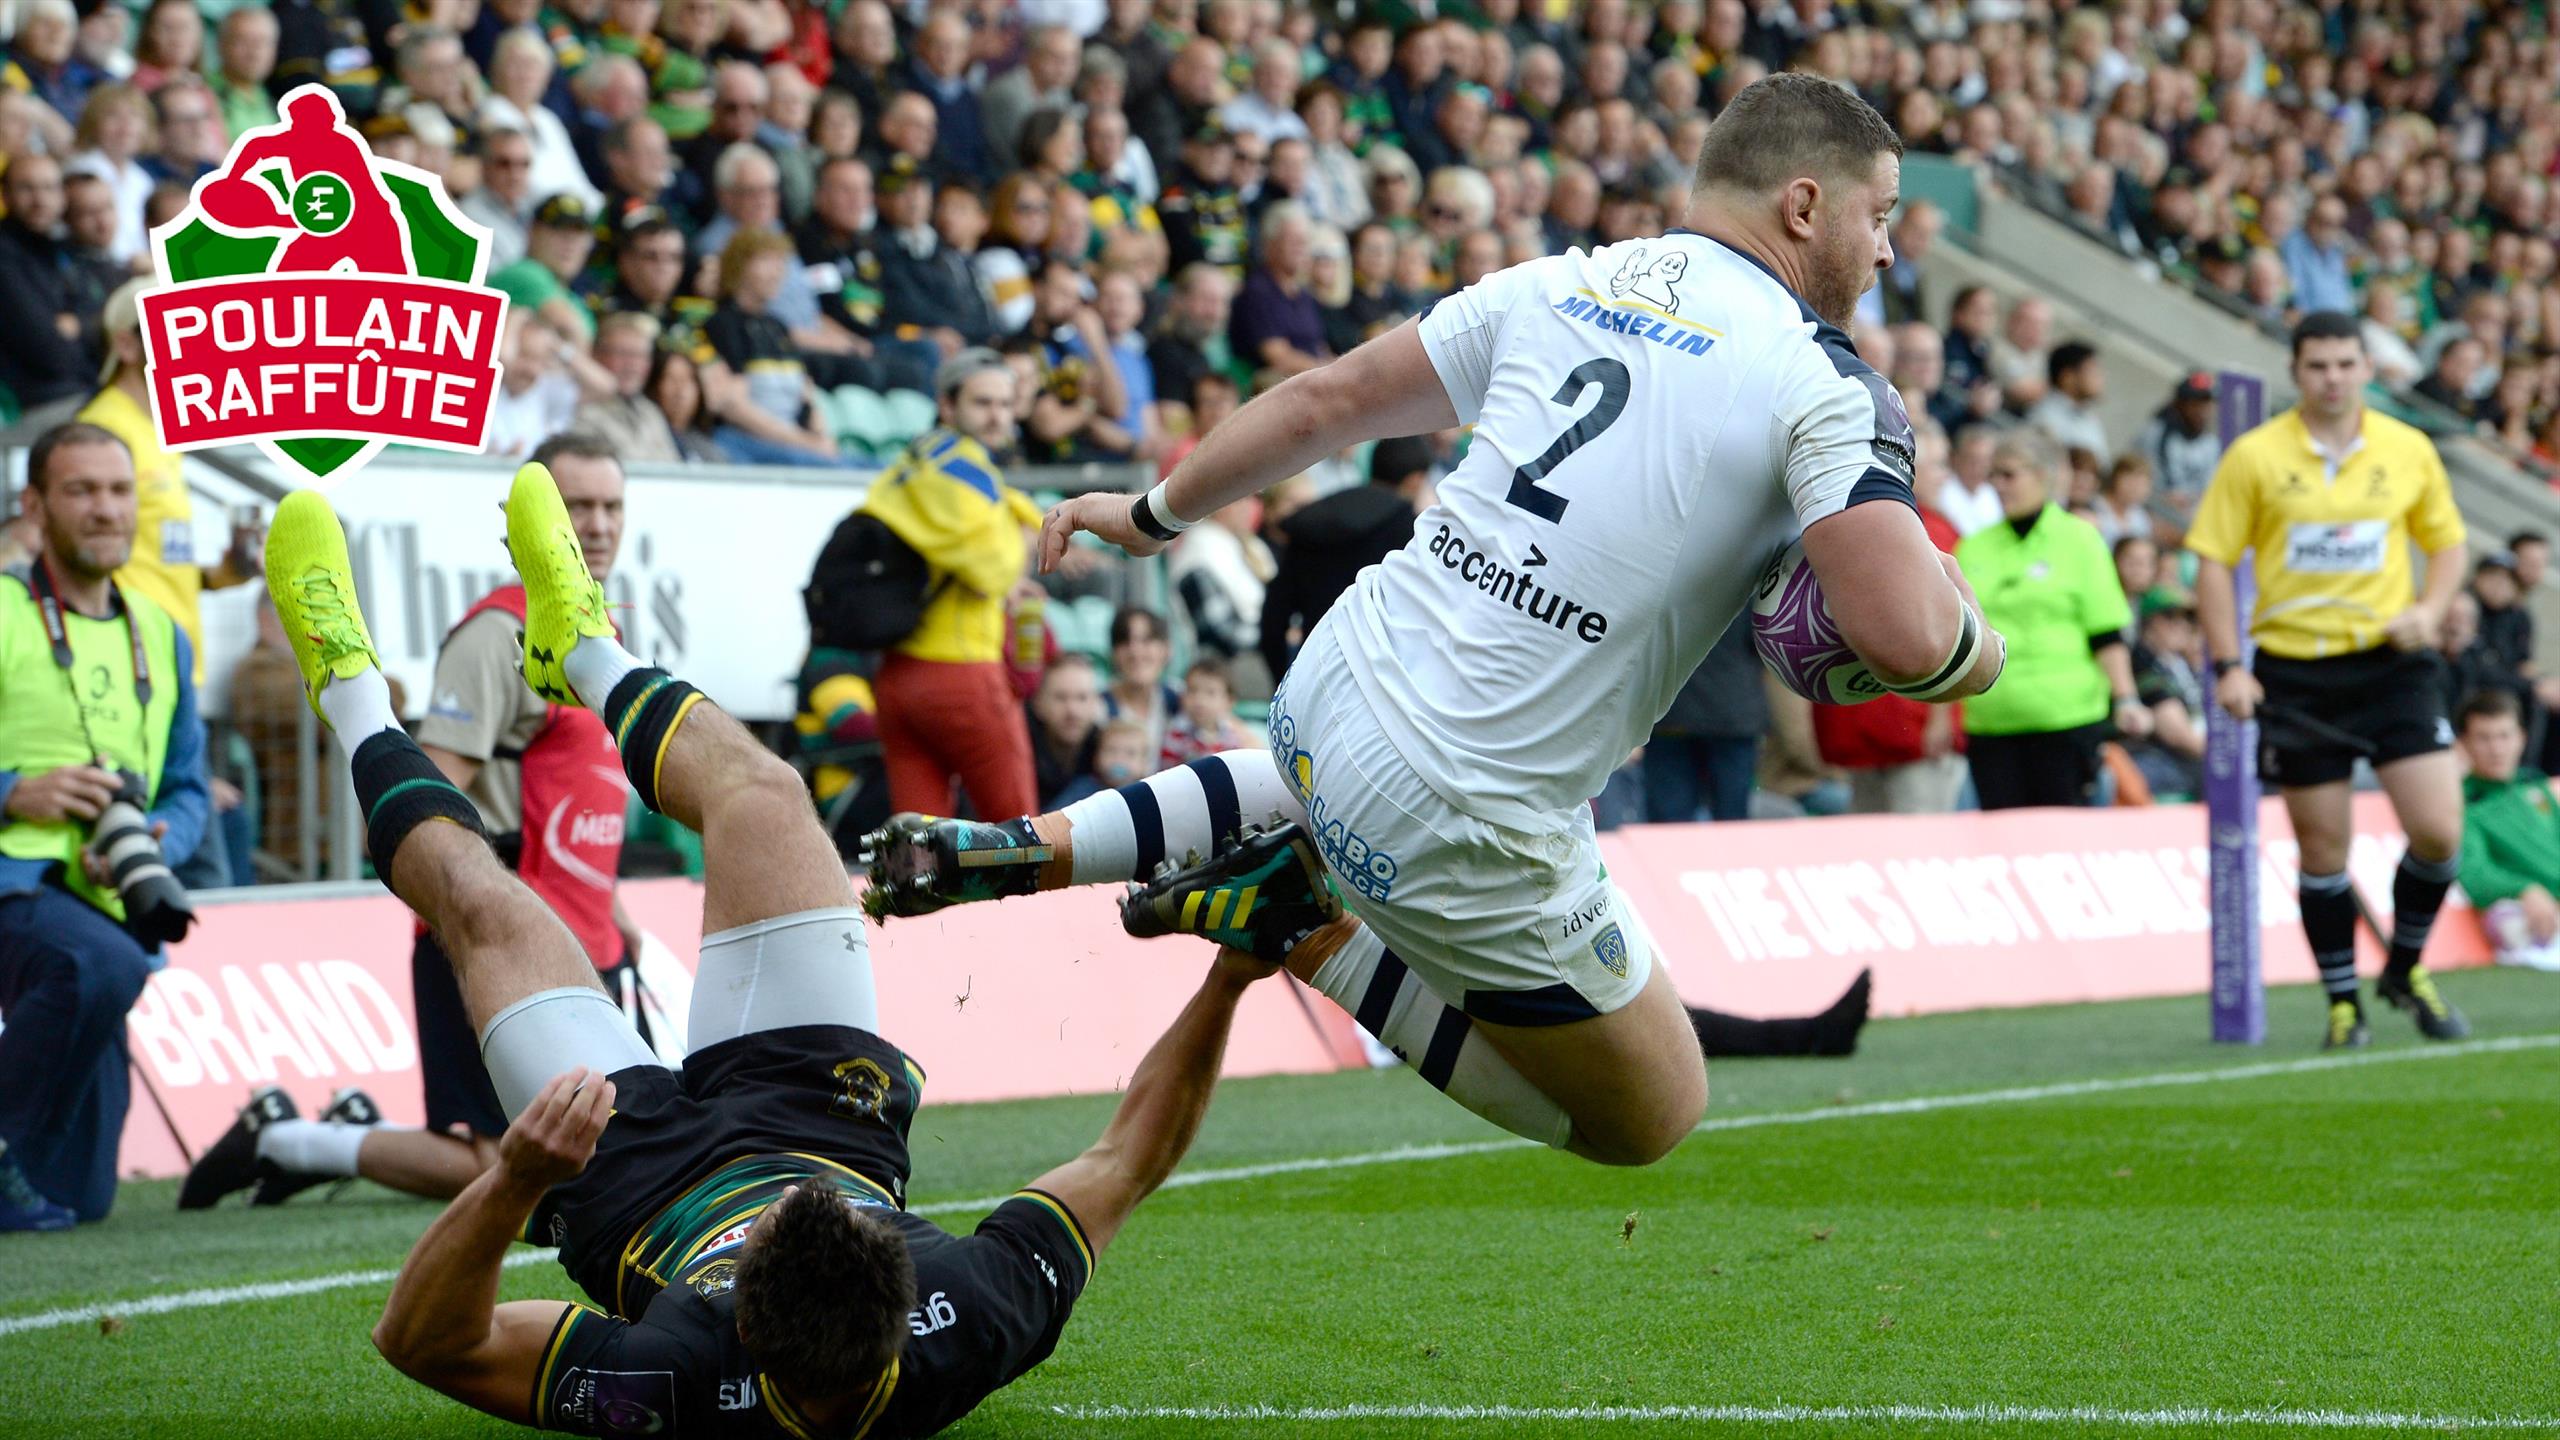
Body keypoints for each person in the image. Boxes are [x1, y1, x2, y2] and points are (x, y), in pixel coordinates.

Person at [870, 75, 2000, 1167]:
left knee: (1331, 774)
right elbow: (1905, 636)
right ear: (1804, 203)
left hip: (1327, 688)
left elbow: (1327, 402)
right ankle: (1307, 934)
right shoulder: (1820, 379)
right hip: (1468, 813)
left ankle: (1057, 844)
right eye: (1882, 213)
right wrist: (1981, 643)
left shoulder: (1557, 281)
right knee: (1653, 1111)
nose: (1889, 248)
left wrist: (1154, 513)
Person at [246, 465, 1250, 1435]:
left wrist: (515, 1178)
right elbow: (1126, 1159)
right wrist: (1232, 974)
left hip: (630, 1183)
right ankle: (583, 647)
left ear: (743, 1327)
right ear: (898, 1283)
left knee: (484, 908)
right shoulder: (974, 1314)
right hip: (825, 1120)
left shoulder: (675, 1381)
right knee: (765, 798)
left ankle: (347, 688)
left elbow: (425, 1343)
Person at [2189, 311, 2474, 1051]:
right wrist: (2228, 665)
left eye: (2347, 364)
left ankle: (2405, 967)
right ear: (2296, 371)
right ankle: (2343, 1004)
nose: (2333, 378)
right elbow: (2214, 561)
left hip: (2392, 665)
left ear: (2368, 369)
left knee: (2440, 830)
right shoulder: (2255, 455)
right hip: (2297, 670)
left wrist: (2432, 608)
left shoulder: (2408, 449)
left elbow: (2447, 544)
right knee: (2323, 853)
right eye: (2318, 366)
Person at [0, 423, 208, 1230]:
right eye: (81, 490)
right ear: (35, 506)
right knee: (100, 965)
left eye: (119, 491)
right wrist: (16, 793)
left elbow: (188, 789)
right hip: (18, 887)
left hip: (110, 898)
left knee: (82, 1197)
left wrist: (160, 839)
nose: (105, 509)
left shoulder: (162, 633)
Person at [863, 350, 1042, 821]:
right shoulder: (964, 471)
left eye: (1005, 404)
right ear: (947, 405)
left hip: (897, 676)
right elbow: (994, 572)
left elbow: (1004, 504)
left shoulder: (916, 460)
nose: (996, 415)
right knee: (1020, 834)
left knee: (919, 849)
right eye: (983, 402)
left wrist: (1022, 520)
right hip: (961, 674)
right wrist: (1021, 542)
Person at [1955, 431, 2145, 809]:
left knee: (2061, 847)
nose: (1998, 485)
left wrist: (2126, 699)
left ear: (2042, 475)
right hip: (1992, 726)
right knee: (2002, 847)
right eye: (1994, 475)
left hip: (2066, 723)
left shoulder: (2080, 540)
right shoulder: (1972, 547)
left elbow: (2105, 633)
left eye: (2009, 475)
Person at [1257, 434, 1432, 682]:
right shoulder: (1409, 531)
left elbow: (1273, 620)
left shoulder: (1319, 517)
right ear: (1415, 481)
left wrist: (1284, 682)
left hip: (1312, 671)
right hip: (1374, 682)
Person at [2452, 690, 2560, 972]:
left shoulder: (2534, 786)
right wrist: (2525, 889)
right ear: (2463, 744)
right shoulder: (2462, 803)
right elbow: (2475, 874)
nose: (2496, 748)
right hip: (2526, 908)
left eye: (2504, 736)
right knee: (2507, 920)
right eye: (2484, 738)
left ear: (2521, 738)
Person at [2136, 371, 2224, 518]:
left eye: (2207, 403)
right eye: (2196, 403)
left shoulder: (2211, 443)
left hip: (2192, 516)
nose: (2202, 410)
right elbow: (2157, 492)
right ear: (2180, 404)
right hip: (2155, 514)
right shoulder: (2155, 434)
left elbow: (2209, 490)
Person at [1027, 655, 1104, 810]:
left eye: (1082, 698)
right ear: (1038, 704)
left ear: (1096, 703)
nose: (1072, 711)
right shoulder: (1017, 751)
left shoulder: (1105, 751)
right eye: (1060, 698)